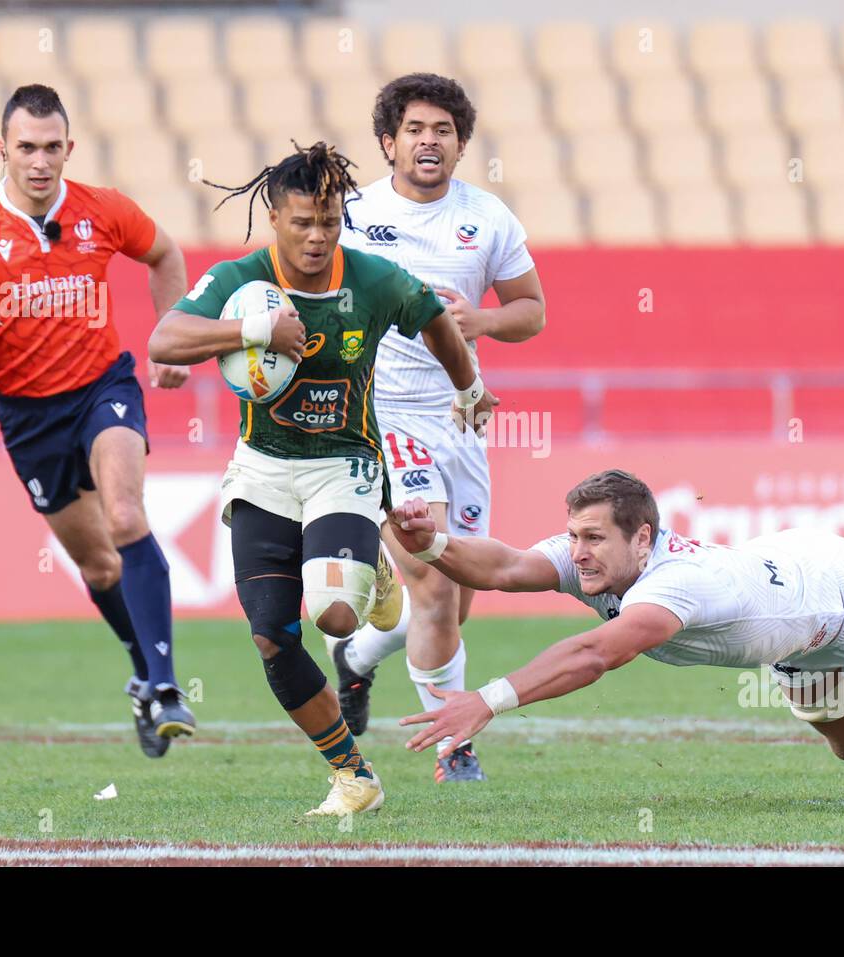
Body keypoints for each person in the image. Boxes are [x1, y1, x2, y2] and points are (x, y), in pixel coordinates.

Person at [391, 470, 844, 796]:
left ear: (643, 539)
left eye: (592, 538)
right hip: (795, 620)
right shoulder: (598, 556)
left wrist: (485, 698)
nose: (576, 552)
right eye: (573, 534)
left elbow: (595, 652)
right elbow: (509, 565)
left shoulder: (672, 587)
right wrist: (429, 544)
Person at [148, 141, 494, 815]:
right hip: (262, 471)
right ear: (274, 215)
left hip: (346, 465)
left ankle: (374, 573)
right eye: (303, 221)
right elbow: (164, 340)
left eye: (330, 221)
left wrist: (471, 386)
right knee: (272, 634)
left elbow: (436, 324)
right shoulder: (241, 281)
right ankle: (352, 774)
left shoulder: (373, 280)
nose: (316, 236)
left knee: (334, 611)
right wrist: (254, 330)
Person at [0, 84, 196, 757]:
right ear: (2, 149)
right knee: (97, 566)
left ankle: (169, 685)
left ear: (70, 149)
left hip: (102, 387)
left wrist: (170, 335)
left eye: (52, 147)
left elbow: (166, 254)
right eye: (26, 147)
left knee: (125, 515)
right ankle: (144, 677)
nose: (40, 161)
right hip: (28, 416)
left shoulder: (103, 209)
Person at [327, 73, 546, 783]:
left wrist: (478, 320)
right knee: (429, 578)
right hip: (380, 412)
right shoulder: (352, 215)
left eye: (443, 130)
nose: (430, 140)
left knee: (452, 595)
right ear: (389, 142)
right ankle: (455, 749)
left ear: (459, 144)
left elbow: (531, 310)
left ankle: (358, 656)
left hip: (459, 416)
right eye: (416, 129)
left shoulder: (487, 218)